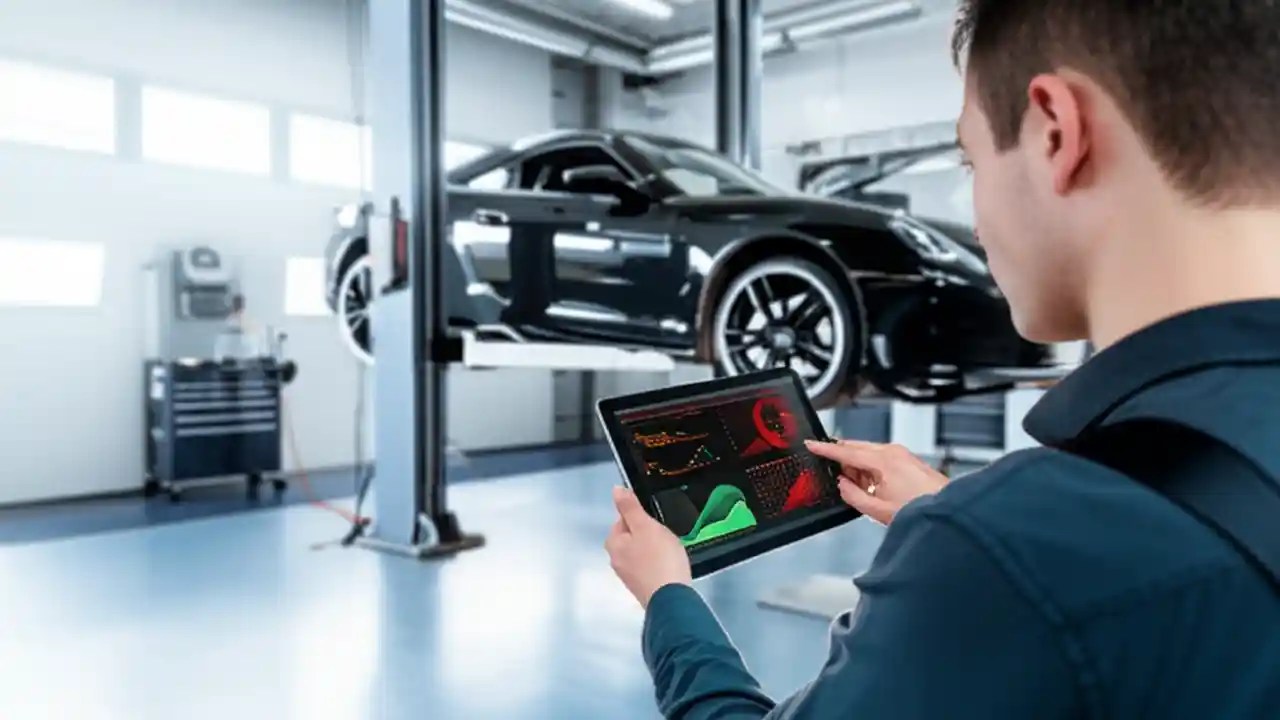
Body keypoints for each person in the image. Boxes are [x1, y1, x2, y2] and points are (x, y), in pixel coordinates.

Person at [604, 2, 1280, 717]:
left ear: (1057, 131)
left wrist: (668, 597)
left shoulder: (1008, 548)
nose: (974, 211)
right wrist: (951, 508)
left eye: (971, 159)